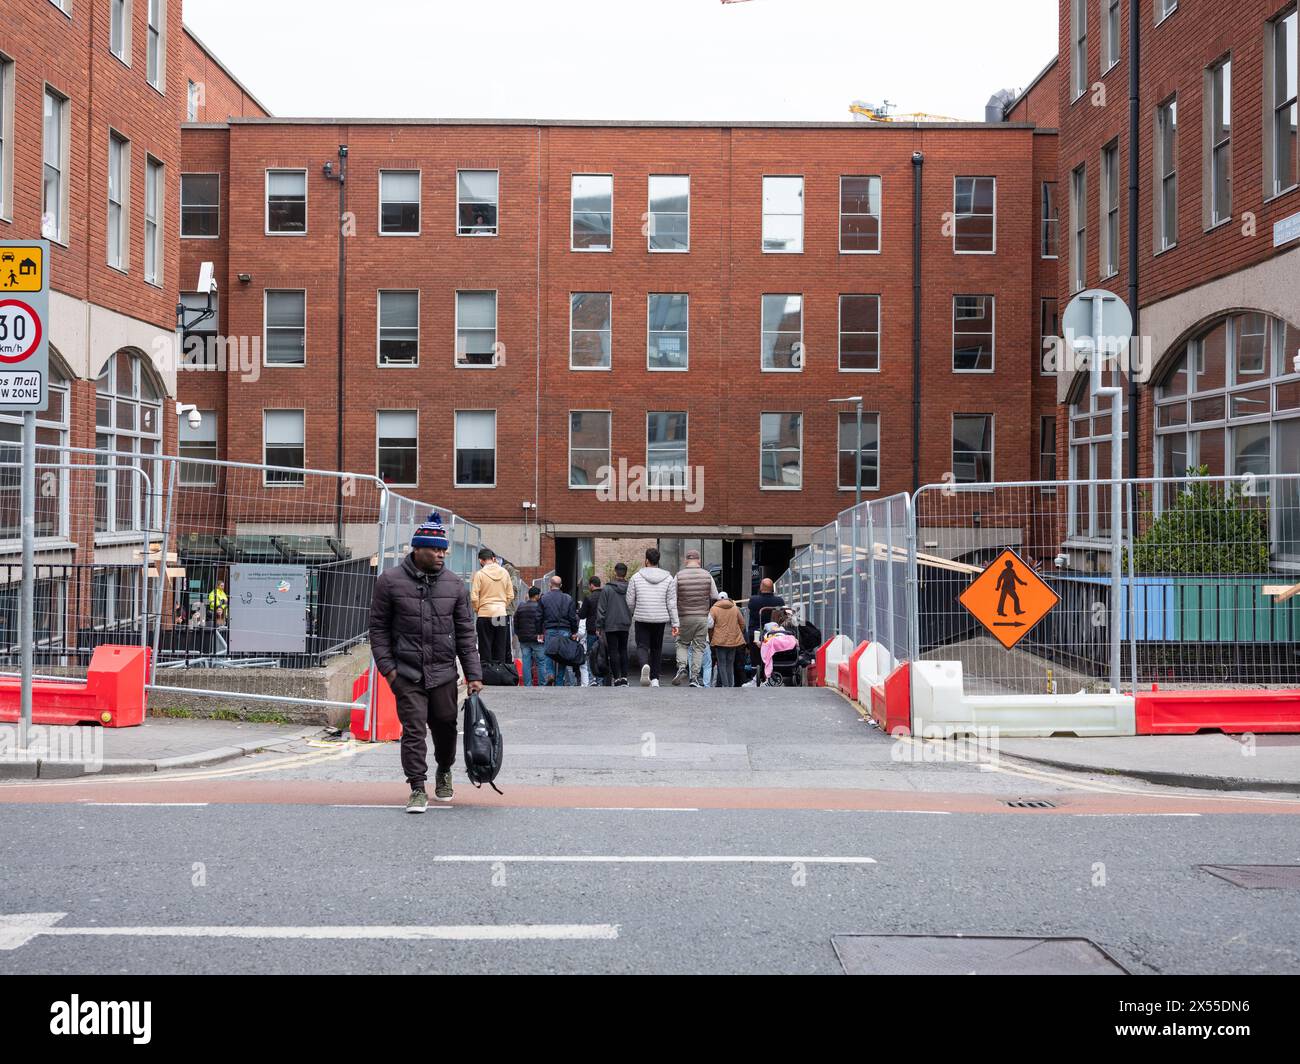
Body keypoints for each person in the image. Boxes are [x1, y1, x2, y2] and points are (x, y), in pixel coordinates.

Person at [368, 512, 482, 814]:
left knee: (445, 727)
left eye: (444, 549)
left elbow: (465, 633)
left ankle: (444, 770)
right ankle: (417, 788)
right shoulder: (389, 582)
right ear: (417, 549)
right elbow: (377, 630)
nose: (441, 554)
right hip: (406, 673)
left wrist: (473, 673)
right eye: (435, 549)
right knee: (414, 729)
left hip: (444, 673)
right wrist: (390, 672)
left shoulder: (455, 585)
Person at [626, 547, 677, 687]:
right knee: (656, 648)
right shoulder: (668, 578)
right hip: (660, 620)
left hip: (642, 618)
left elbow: (630, 600)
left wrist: (634, 611)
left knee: (642, 646)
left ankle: (644, 666)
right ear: (658, 561)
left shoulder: (636, 577)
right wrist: (675, 623)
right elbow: (672, 602)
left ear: (646, 560)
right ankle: (655, 679)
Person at [672, 549, 719, 687]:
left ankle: (681, 667)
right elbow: (715, 595)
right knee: (699, 647)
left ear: (686, 560)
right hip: (701, 617)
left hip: (684, 617)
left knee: (682, 643)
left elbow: (672, 596)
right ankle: (694, 677)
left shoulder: (679, 576)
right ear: (699, 560)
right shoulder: (707, 575)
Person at [470, 547, 515, 663]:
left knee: (485, 646)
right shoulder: (505, 573)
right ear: (493, 559)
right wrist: (501, 606)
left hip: (484, 614)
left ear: (481, 560)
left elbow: (474, 597)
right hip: (500, 614)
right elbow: (510, 595)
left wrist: (477, 609)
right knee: (500, 646)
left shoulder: (479, 574)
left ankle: (487, 674)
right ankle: (499, 674)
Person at [538, 575, 579, 686]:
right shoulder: (568, 598)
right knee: (563, 655)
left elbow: (539, 617)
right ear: (561, 585)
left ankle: (550, 674)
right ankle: (560, 680)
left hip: (550, 629)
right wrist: (574, 631)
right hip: (565, 630)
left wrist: (540, 632)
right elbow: (572, 617)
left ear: (550, 585)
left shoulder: (544, 598)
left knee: (548, 653)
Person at [595, 562, 632, 686]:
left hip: (610, 625)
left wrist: (599, 626)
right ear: (625, 573)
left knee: (613, 651)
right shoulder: (630, 588)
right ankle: (625, 677)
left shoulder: (607, 589)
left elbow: (601, 609)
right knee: (623, 650)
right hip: (625, 623)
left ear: (615, 572)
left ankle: (616, 678)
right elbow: (633, 605)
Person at [745, 578, 784, 688]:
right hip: (773, 632)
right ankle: (770, 676)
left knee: (755, 656)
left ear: (761, 587)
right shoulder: (779, 601)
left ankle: (755, 677)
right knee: (771, 655)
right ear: (772, 588)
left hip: (756, 632)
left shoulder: (754, 600)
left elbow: (750, 608)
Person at [709, 591, 746, 688]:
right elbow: (742, 624)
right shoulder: (735, 608)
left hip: (719, 641)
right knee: (730, 663)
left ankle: (725, 685)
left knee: (722, 664)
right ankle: (731, 685)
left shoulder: (714, 609)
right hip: (733, 641)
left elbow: (710, 626)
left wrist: (712, 637)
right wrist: (737, 634)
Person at [579, 576, 607, 687]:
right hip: (604, 631)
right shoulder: (606, 597)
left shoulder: (589, 598)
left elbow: (582, 615)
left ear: (591, 585)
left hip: (591, 630)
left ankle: (593, 679)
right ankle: (602, 680)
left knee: (592, 655)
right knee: (603, 655)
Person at [514, 585, 545, 686]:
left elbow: (516, 622)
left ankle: (527, 685)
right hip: (537, 638)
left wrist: (519, 633)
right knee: (541, 661)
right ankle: (542, 683)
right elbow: (543, 622)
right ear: (536, 596)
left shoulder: (521, 606)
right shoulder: (539, 607)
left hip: (524, 639)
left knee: (526, 662)